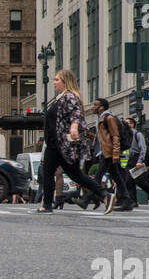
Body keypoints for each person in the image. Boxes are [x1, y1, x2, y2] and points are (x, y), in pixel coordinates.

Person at [37, 70, 110, 214]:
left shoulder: (69, 96)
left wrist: (74, 126)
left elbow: (76, 113)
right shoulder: (62, 97)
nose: (54, 82)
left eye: (57, 79)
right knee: (76, 174)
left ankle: (46, 205)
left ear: (65, 81)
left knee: (48, 172)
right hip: (61, 143)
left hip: (59, 143)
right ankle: (105, 195)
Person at [91, 98, 130, 214]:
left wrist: (116, 153)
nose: (93, 106)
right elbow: (102, 138)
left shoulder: (108, 118)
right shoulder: (101, 118)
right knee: (116, 176)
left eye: (95, 105)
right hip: (105, 151)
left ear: (101, 107)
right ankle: (126, 200)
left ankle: (92, 199)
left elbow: (115, 136)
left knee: (98, 177)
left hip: (108, 153)